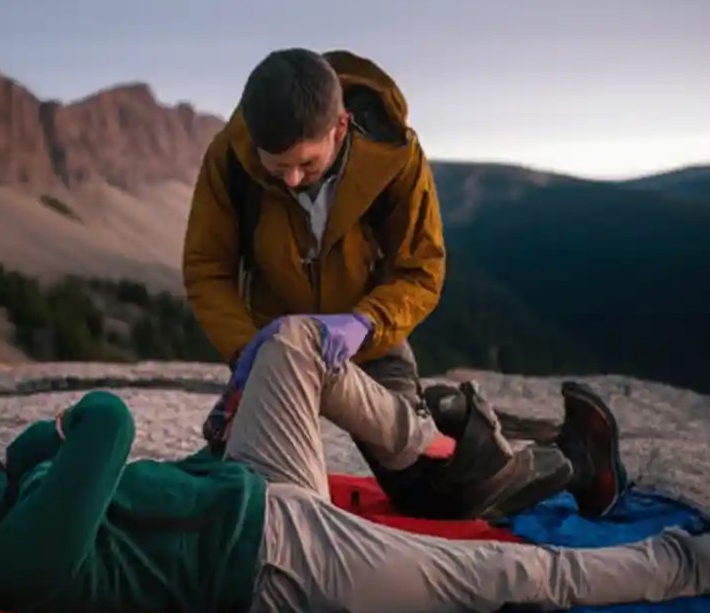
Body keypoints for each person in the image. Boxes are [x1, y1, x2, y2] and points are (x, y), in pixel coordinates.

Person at [0, 316, 710, 613]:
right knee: (512, 579)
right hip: (281, 559)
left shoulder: (6, 507)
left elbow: (35, 455)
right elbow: (99, 428)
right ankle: (692, 558)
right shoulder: (15, 558)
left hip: (255, 487)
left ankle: (416, 443)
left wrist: (26, 453)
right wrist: (73, 425)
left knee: (288, 340)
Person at [181, 47, 569, 519]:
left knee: (435, 496)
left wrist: (364, 324)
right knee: (240, 498)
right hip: (273, 350)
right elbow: (208, 268)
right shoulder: (229, 158)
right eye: (276, 167)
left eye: (306, 164)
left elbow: (421, 268)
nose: (291, 180)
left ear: (340, 127)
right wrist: (245, 351)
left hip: (368, 340)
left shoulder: (394, 155)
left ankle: (538, 451)